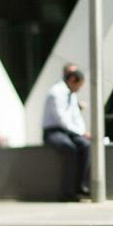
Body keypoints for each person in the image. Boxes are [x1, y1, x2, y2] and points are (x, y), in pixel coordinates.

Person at [43, 64, 91, 201]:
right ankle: (66, 192)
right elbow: (61, 119)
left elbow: (75, 116)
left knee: (86, 145)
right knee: (70, 150)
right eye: (78, 86)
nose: (79, 89)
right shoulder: (56, 93)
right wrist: (80, 132)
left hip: (68, 131)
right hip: (53, 131)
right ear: (71, 81)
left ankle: (81, 186)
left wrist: (83, 132)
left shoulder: (71, 93)